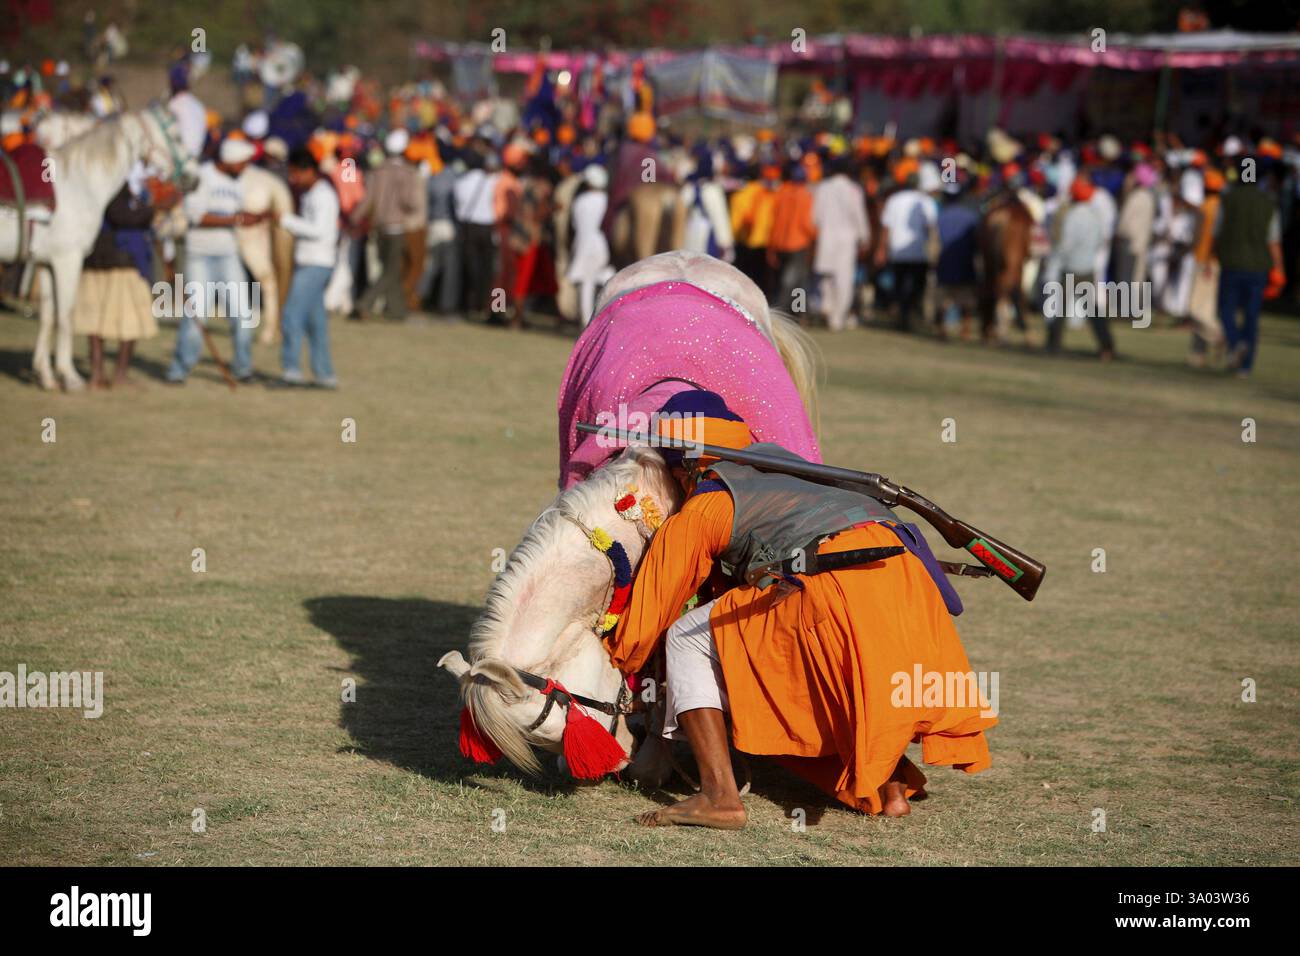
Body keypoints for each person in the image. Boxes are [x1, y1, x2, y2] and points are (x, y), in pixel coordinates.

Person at [605, 391, 995, 829]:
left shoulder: (709, 503)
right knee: (852, 673)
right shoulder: (792, 466)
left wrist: (618, 659)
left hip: (835, 579)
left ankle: (718, 796)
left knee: (686, 637)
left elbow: (650, 616)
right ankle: (890, 788)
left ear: (684, 466)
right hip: (906, 581)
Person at [166, 137, 266, 384]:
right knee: (197, 317)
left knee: (244, 314)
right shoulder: (201, 177)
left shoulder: (237, 182)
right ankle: (179, 369)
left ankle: (243, 368)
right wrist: (238, 220)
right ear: (230, 161)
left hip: (228, 254)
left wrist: (246, 218)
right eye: (243, 163)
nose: (245, 168)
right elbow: (196, 216)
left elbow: (234, 215)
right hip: (199, 255)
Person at [71, 166, 174, 388]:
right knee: (119, 320)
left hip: (114, 258)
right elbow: (121, 216)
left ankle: (112, 374)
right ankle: (104, 374)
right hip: (117, 260)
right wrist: (156, 207)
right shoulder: (111, 185)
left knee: (107, 320)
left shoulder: (121, 187)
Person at [271, 148, 339, 388]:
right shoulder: (313, 194)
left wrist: (285, 220)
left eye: (295, 174)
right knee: (315, 322)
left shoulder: (323, 196)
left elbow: (319, 230)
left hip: (315, 263)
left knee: (291, 315)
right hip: (313, 262)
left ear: (308, 171)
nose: (293, 179)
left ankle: (291, 371)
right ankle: (325, 375)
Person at [1216, 157, 1284, 376]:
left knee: (1226, 310)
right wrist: (1279, 268)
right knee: (1252, 316)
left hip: (1232, 263)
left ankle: (1235, 344)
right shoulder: (1268, 202)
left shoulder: (1228, 199)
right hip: (1259, 266)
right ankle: (1245, 367)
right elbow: (1273, 241)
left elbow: (1217, 233)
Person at [354, 128, 424, 321]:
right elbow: (410, 202)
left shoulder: (377, 171)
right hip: (396, 227)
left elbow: (367, 199)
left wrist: (354, 217)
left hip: (378, 226)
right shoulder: (407, 172)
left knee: (389, 269)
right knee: (391, 270)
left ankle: (397, 311)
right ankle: (364, 303)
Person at [1047, 176, 1115, 359]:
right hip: (1088, 268)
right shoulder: (1096, 216)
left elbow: (1066, 243)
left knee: (1060, 309)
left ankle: (1054, 345)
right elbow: (1102, 240)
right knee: (1093, 311)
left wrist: (1058, 258)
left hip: (1070, 267)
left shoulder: (1073, 216)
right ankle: (1107, 346)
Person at [877, 161, 938, 332]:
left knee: (899, 286)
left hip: (898, 252)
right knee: (917, 287)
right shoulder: (926, 201)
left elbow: (885, 228)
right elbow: (931, 228)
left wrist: (882, 249)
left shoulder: (894, 200)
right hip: (919, 253)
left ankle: (902, 316)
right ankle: (908, 316)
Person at [813, 155, 869, 332]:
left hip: (826, 235)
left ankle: (826, 306)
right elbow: (858, 215)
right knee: (843, 278)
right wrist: (864, 236)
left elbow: (815, 216)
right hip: (847, 238)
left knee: (826, 274)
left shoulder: (822, 187)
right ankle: (837, 318)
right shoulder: (853, 189)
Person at [454, 148, 500, 321]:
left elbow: (459, 209)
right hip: (489, 228)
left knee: (471, 269)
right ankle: (494, 309)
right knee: (491, 271)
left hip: (469, 228)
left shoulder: (461, 182)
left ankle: (471, 307)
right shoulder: (494, 181)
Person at [566, 163, 614, 326]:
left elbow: (573, 225)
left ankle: (587, 322)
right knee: (606, 279)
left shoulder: (580, 201)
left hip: (583, 244)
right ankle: (604, 317)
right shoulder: (608, 201)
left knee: (586, 284)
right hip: (603, 246)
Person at [766, 163, 817, 314]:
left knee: (786, 279)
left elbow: (773, 220)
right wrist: (816, 236)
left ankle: (793, 311)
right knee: (796, 281)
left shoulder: (781, 193)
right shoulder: (805, 195)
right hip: (798, 244)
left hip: (780, 243)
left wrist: (772, 245)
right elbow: (806, 223)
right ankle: (790, 312)